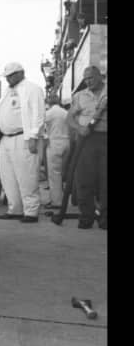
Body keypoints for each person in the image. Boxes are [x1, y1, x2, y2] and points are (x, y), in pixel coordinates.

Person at [0, 62, 46, 223]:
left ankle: (31, 211)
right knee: (8, 177)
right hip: (6, 138)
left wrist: (34, 136)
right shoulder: (8, 92)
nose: (8, 79)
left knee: (27, 176)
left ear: (20, 73)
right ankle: (15, 208)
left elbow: (38, 114)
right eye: (7, 76)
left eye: (11, 76)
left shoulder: (32, 89)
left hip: (24, 137)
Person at [65, 65, 108, 229]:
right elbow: (69, 119)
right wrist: (79, 127)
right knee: (84, 180)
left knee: (106, 181)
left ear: (99, 76)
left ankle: (104, 219)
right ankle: (86, 217)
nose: (88, 81)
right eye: (86, 79)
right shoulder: (79, 96)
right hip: (86, 141)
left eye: (91, 78)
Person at [43, 94, 71, 209]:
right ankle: (62, 200)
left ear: (49, 102)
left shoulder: (49, 113)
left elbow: (40, 124)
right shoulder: (65, 112)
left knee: (54, 174)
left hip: (55, 143)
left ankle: (56, 202)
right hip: (67, 142)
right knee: (63, 173)